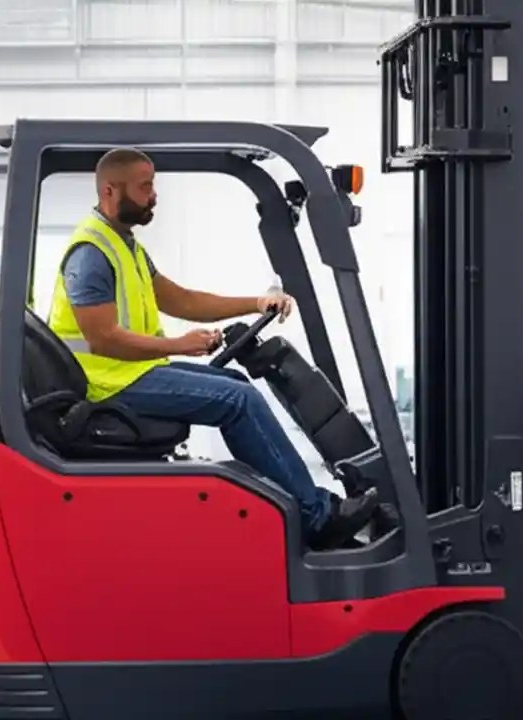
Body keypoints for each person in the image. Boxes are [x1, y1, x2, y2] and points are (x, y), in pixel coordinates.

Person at [47, 147, 379, 551]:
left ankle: (305, 510)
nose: (154, 195)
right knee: (236, 399)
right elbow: (102, 338)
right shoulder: (91, 253)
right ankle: (315, 517)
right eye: (145, 186)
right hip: (105, 384)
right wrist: (180, 346)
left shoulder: (124, 245)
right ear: (110, 191)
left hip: (125, 375)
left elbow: (183, 301)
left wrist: (255, 303)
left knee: (235, 384)